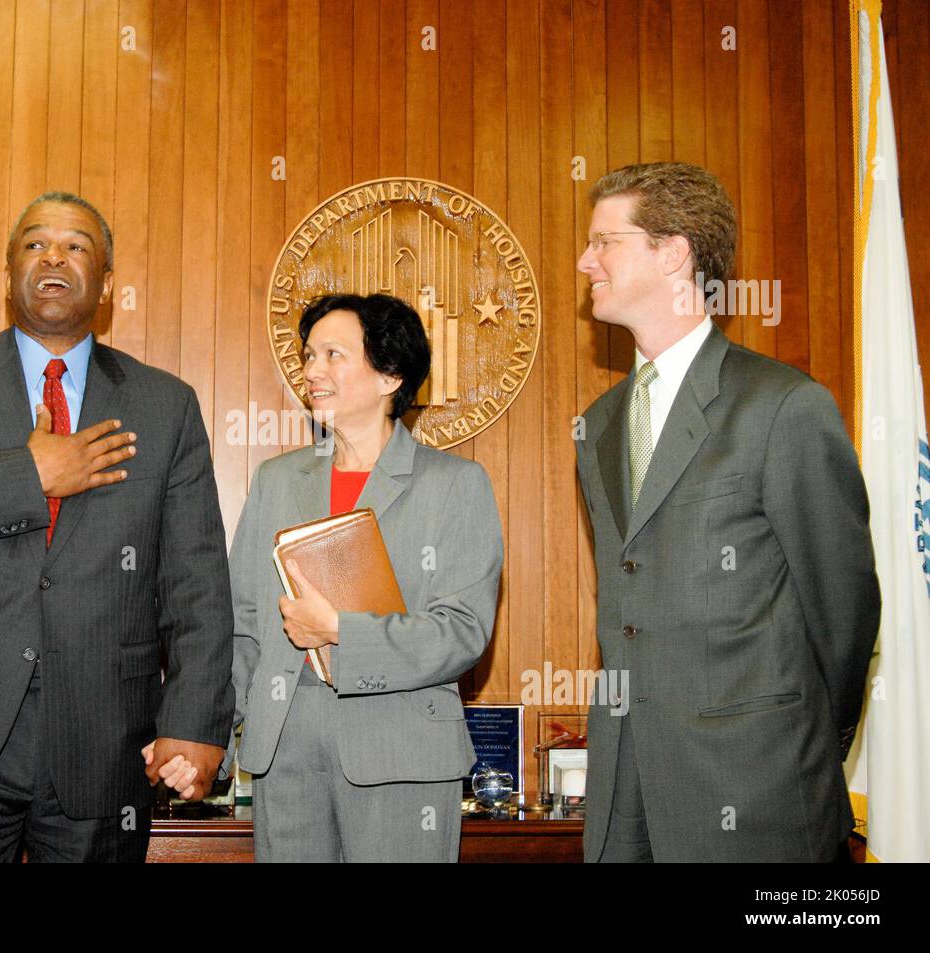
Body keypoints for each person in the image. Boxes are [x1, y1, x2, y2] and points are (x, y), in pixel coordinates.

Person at [0, 191, 234, 862]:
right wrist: (25, 476)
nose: (54, 256)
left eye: (76, 246)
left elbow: (196, 586)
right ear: (8, 275)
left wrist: (197, 722)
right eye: (35, 244)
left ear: (108, 283)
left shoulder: (165, 405)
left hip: (102, 743)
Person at [574, 162, 880, 862]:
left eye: (604, 241)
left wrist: (792, 740)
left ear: (674, 252)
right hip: (625, 797)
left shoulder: (782, 406)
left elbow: (844, 612)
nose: (585, 260)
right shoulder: (597, 427)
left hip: (759, 792)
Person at [214, 292, 502, 862]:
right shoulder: (276, 480)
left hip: (402, 753)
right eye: (308, 356)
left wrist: (342, 630)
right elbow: (242, 624)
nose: (311, 371)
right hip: (285, 750)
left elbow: (462, 630)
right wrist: (210, 739)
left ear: (390, 375)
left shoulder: (455, 484)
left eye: (333, 355)